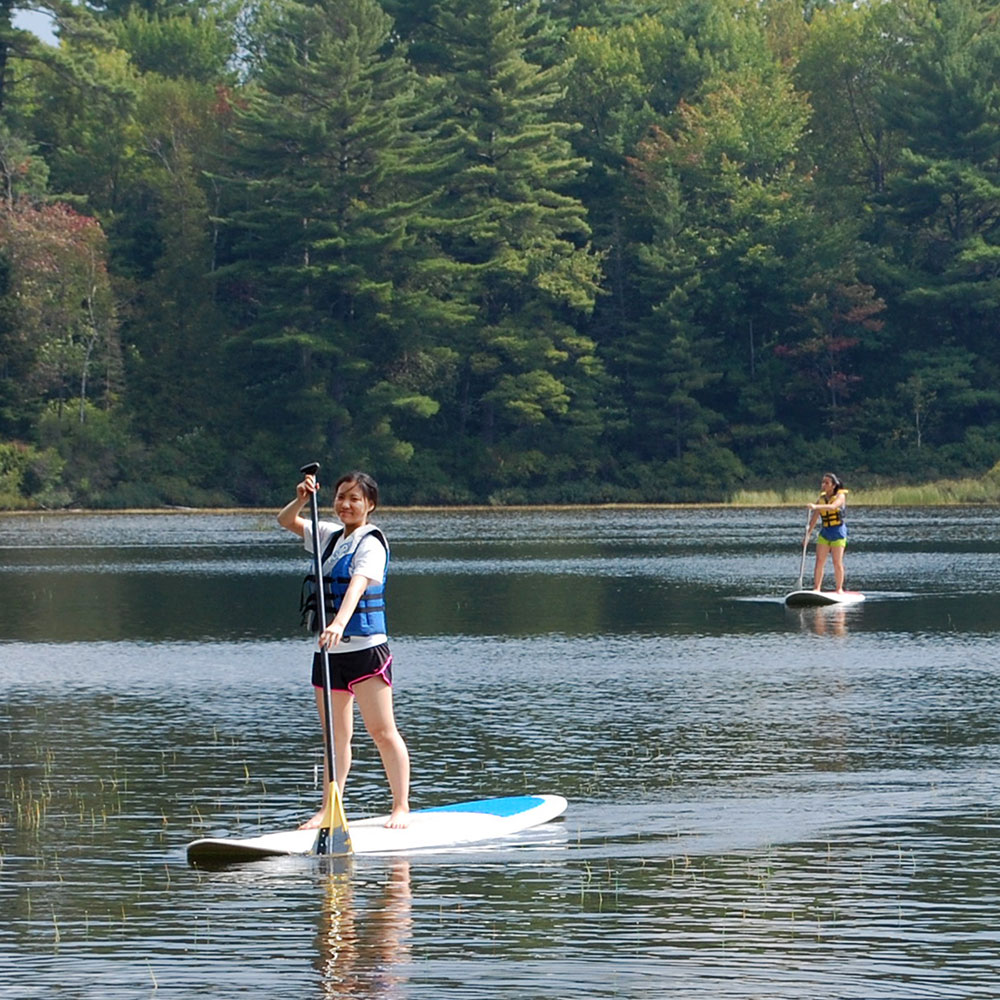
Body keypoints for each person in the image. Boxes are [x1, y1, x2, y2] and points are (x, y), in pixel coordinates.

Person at [278, 469, 410, 830]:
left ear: (370, 504)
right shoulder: (328, 535)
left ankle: (401, 806)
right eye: (340, 497)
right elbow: (285, 520)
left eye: (355, 499)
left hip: (365, 651)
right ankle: (328, 809)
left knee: (382, 732)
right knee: (336, 738)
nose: (346, 505)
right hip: (328, 654)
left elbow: (357, 586)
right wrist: (304, 497)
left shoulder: (372, 542)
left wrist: (337, 623)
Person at [805, 472, 849, 592]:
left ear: (833, 485)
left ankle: (839, 589)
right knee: (819, 560)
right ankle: (816, 588)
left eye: (827, 483)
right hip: (825, 531)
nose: (823, 485)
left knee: (837, 562)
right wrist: (808, 535)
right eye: (823, 482)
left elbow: (833, 507)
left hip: (838, 531)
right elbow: (814, 519)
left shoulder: (840, 497)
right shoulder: (821, 499)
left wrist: (815, 506)